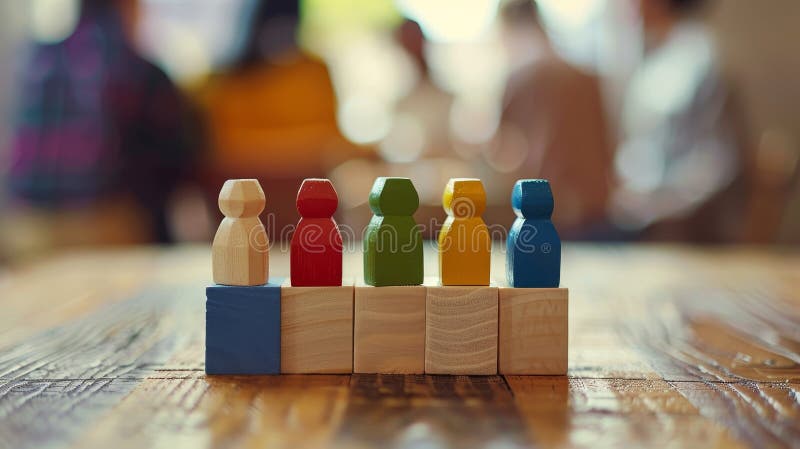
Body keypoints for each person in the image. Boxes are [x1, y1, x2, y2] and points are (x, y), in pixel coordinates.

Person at [5, 0, 198, 253]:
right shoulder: (136, 69)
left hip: (22, 230)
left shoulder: (36, 60)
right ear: (128, 6)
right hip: (100, 230)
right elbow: (177, 162)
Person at [197, 0, 354, 235]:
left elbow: (333, 138)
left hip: (306, 212)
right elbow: (225, 150)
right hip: (247, 214)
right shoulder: (227, 81)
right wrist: (308, 151)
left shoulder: (314, 70)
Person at [610, 0, 749, 242]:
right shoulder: (655, 53)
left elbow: (717, 163)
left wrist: (659, 208)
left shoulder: (699, 57)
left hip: (680, 225)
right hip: (643, 212)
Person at [490, 0, 615, 239]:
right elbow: (607, 147)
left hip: (549, 212)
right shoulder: (586, 76)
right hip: (598, 210)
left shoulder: (519, 76)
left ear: (507, 28)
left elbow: (497, 151)